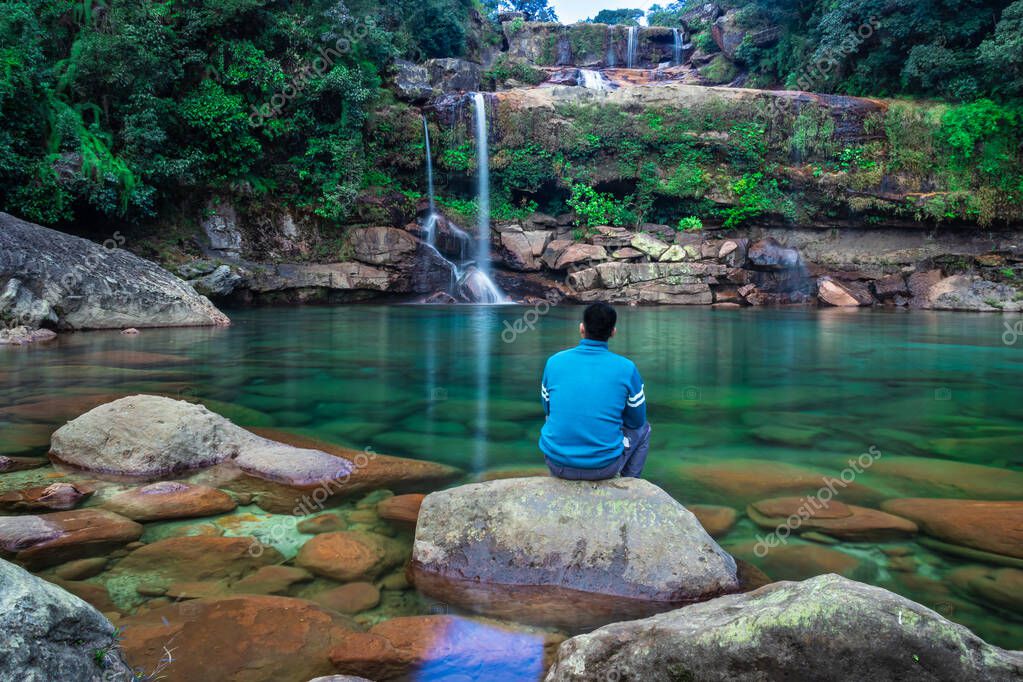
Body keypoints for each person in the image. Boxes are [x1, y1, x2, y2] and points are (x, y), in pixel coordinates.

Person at [539, 302, 651, 480]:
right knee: (644, 429)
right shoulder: (627, 368)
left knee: (552, 417)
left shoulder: (554, 362)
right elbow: (636, 420)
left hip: (556, 463)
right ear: (613, 332)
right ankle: (630, 486)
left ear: (581, 328)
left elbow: (548, 409)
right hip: (604, 467)